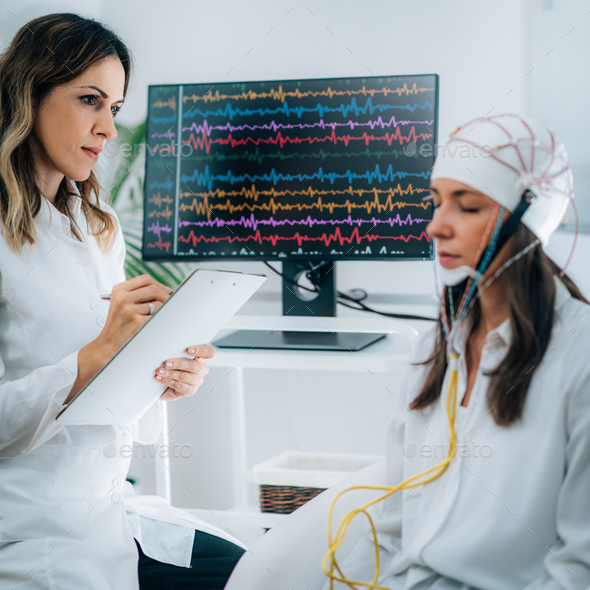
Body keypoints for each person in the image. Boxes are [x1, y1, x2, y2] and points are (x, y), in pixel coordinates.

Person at [0, 13, 244, 590]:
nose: (108, 129)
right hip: (30, 529)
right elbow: (83, 365)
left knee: (263, 571)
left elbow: (112, 403)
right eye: (89, 100)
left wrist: (161, 374)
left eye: (113, 106)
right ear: (27, 96)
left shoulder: (97, 223)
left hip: (110, 512)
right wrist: (98, 354)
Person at [317, 114, 590, 589]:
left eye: (466, 207)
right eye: (435, 202)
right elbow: (394, 523)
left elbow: (578, 566)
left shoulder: (579, 357)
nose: (435, 227)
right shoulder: (435, 348)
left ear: (530, 217)